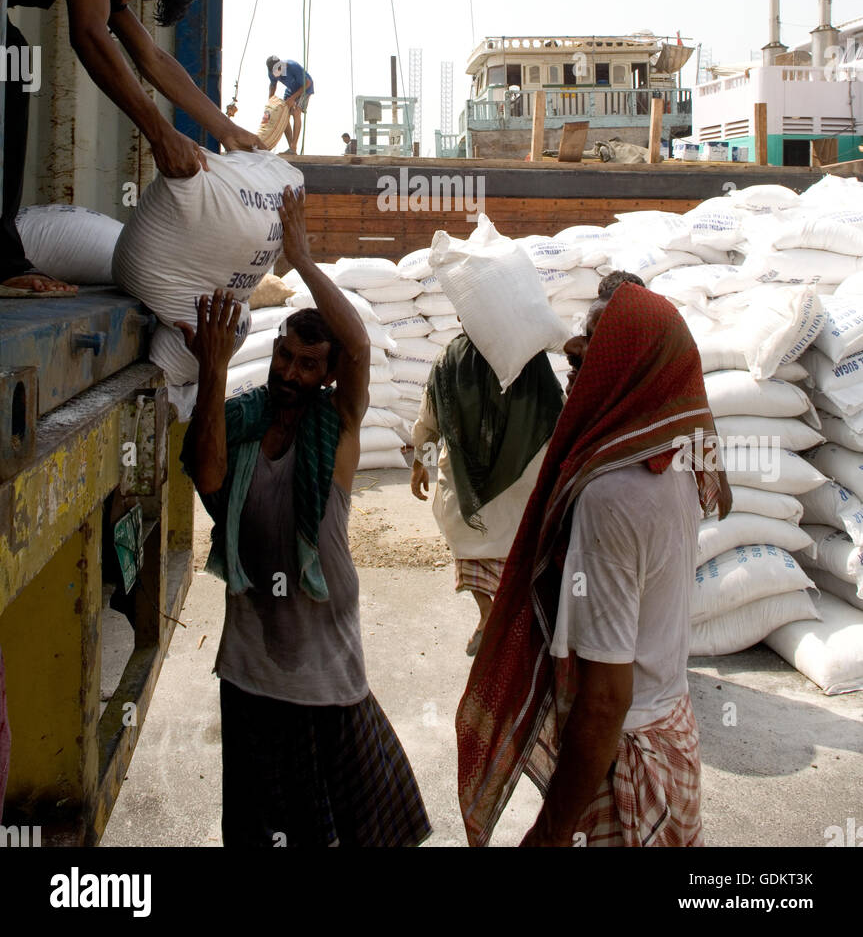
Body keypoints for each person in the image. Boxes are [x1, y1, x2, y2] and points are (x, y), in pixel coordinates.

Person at [178, 185, 431, 849]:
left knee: (330, 831)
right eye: (284, 357)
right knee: (255, 830)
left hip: (324, 669)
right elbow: (204, 473)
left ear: (325, 376)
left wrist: (304, 261)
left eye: (307, 365)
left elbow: (361, 352)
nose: (290, 372)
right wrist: (210, 374)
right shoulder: (240, 419)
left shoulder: (336, 428)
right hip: (248, 668)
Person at [456, 281, 732, 848]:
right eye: (578, 346)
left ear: (629, 367)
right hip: (670, 740)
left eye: (593, 349)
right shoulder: (674, 459)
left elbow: (605, 700)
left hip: (625, 766)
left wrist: (549, 833)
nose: (572, 360)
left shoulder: (612, 497)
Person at [1, 0, 262, 295]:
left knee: (11, 58)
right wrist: (160, 134)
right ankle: (1, 262)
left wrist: (225, 131)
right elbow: (90, 35)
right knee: (11, 63)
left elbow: (152, 57)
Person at [410, 334, 563, 656]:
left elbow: (429, 420)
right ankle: (516, 621)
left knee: (470, 545)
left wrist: (420, 464)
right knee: (518, 547)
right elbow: (556, 411)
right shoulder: (530, 354)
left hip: (468, 485)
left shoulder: (450, 357)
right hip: (524, 473)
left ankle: (487, 613)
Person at [265, 56, 314, 154]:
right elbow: (273, 85)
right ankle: (291, 147)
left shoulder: (292, 67)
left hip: (304, 88)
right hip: (291, 89)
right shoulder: (271, 72)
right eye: (273, 72)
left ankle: (294, 146)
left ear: (281, 66)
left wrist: (292, 99)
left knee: (296, 113)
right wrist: (270, 102)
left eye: (277, 71)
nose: (275, 74)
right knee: (282, 114)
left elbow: (307, 83)